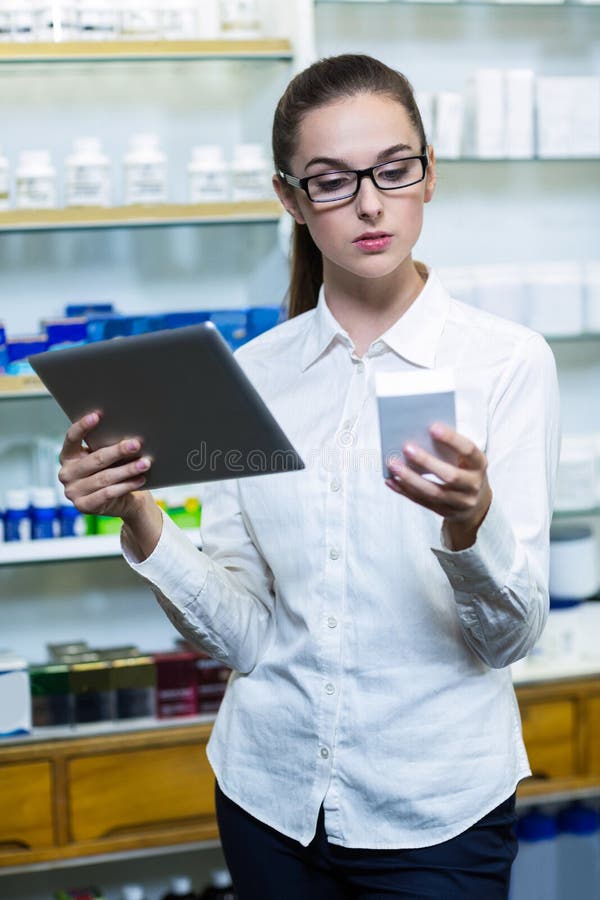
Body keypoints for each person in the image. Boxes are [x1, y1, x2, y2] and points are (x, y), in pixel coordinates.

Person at [58, 54, 560, 900]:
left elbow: (507, 640)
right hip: (269, 803)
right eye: (331, 182)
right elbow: (245, 639)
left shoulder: (506, 365)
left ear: (428, 176)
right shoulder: (251, 378)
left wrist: (471, 527)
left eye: (394, 171)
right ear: (291, 199)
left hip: (435, 817)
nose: (370, 202)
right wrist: (140, 517)